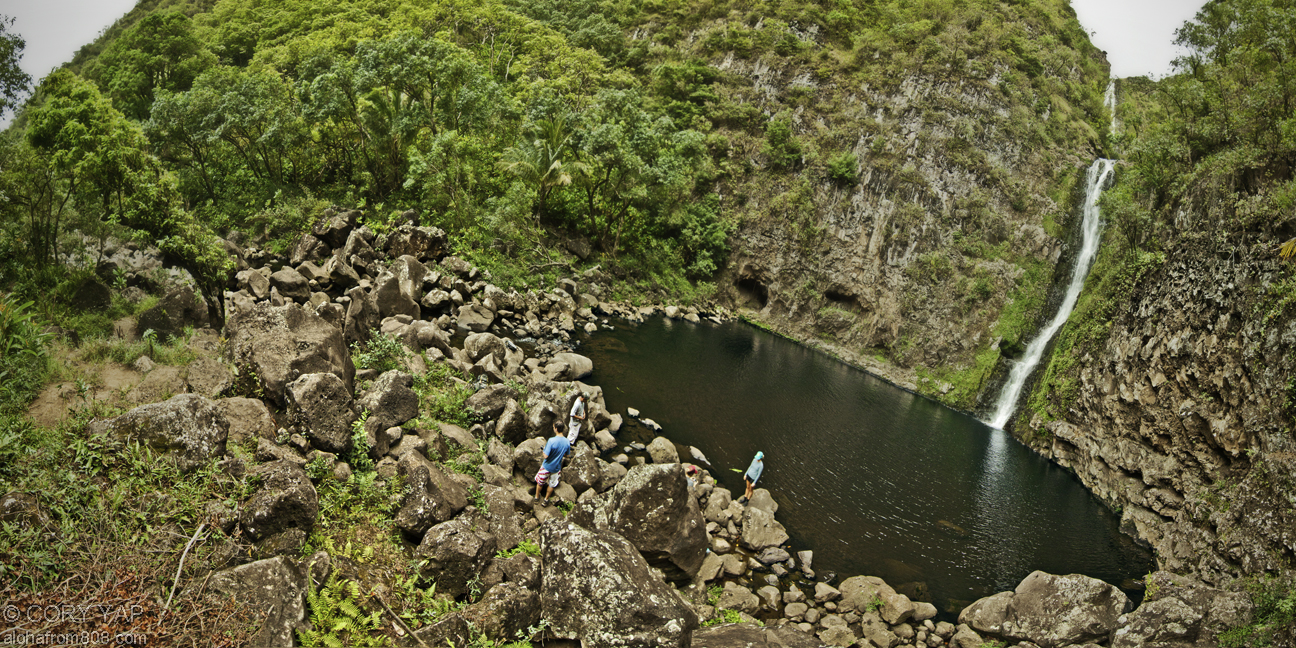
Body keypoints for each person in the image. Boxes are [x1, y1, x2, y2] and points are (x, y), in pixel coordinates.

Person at [534, 421, 571, 506]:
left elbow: (545, 456)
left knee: (540, 482)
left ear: (556, 429)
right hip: (556, 468)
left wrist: (544, 451)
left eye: (554, 427)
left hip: (547, 466)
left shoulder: (551, 440)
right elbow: (567, 455)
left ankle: (536, 497)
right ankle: (546, 500)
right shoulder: (567, 442)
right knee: (551, 485)